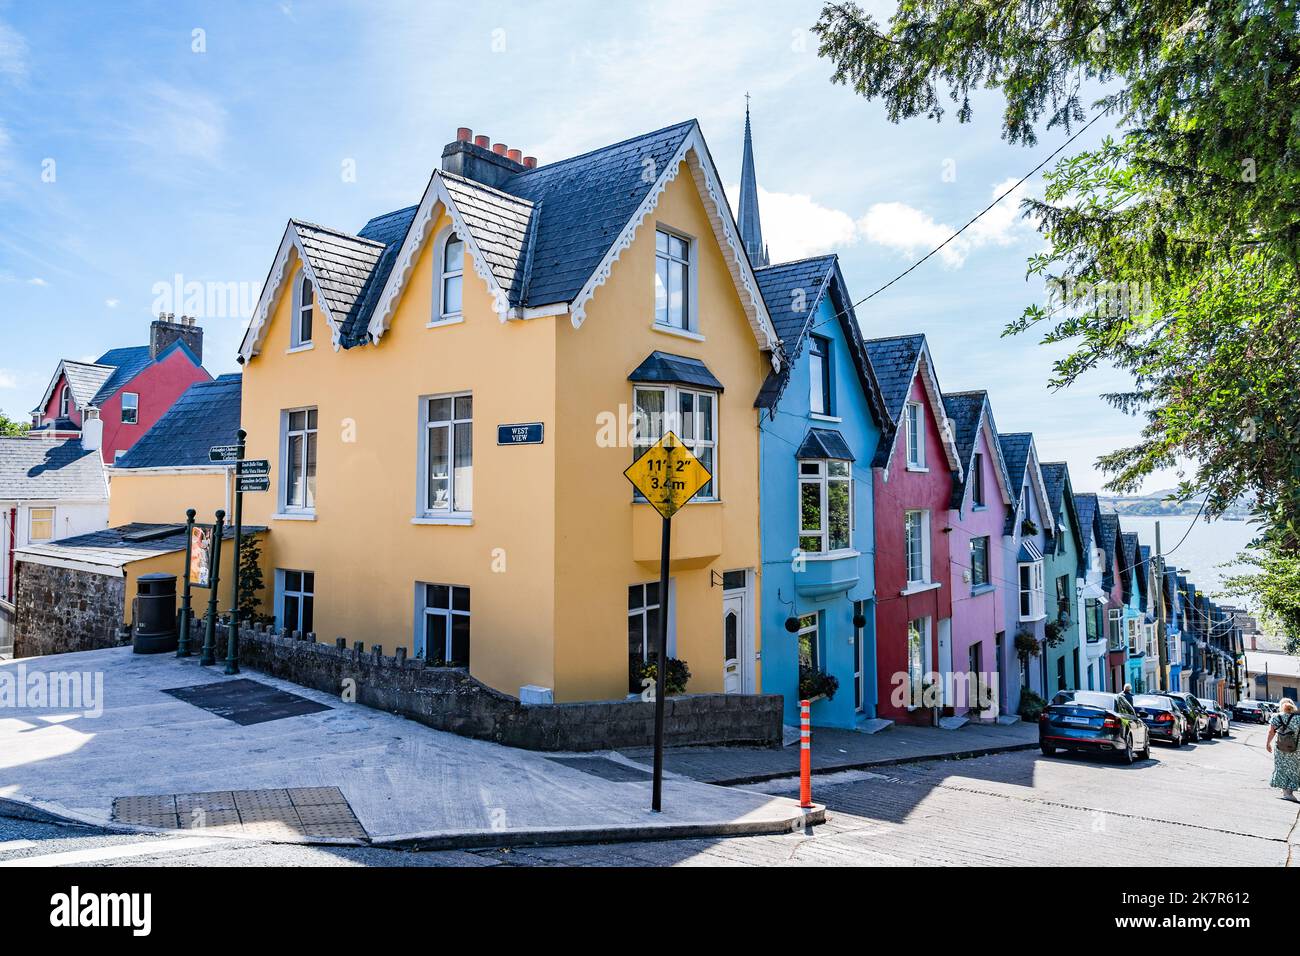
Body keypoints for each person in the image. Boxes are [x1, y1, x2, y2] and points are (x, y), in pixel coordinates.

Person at [1265, 698, 1300, 801]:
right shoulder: (1298, 719)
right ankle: (1289, 792)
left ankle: (1285, 791)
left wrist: (1267, 743)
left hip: (1280, 748)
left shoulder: (1276, 717)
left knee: (1281, 768)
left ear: (1281, 707)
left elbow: (1271, 732)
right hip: (1296, 749)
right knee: (1294, 769)